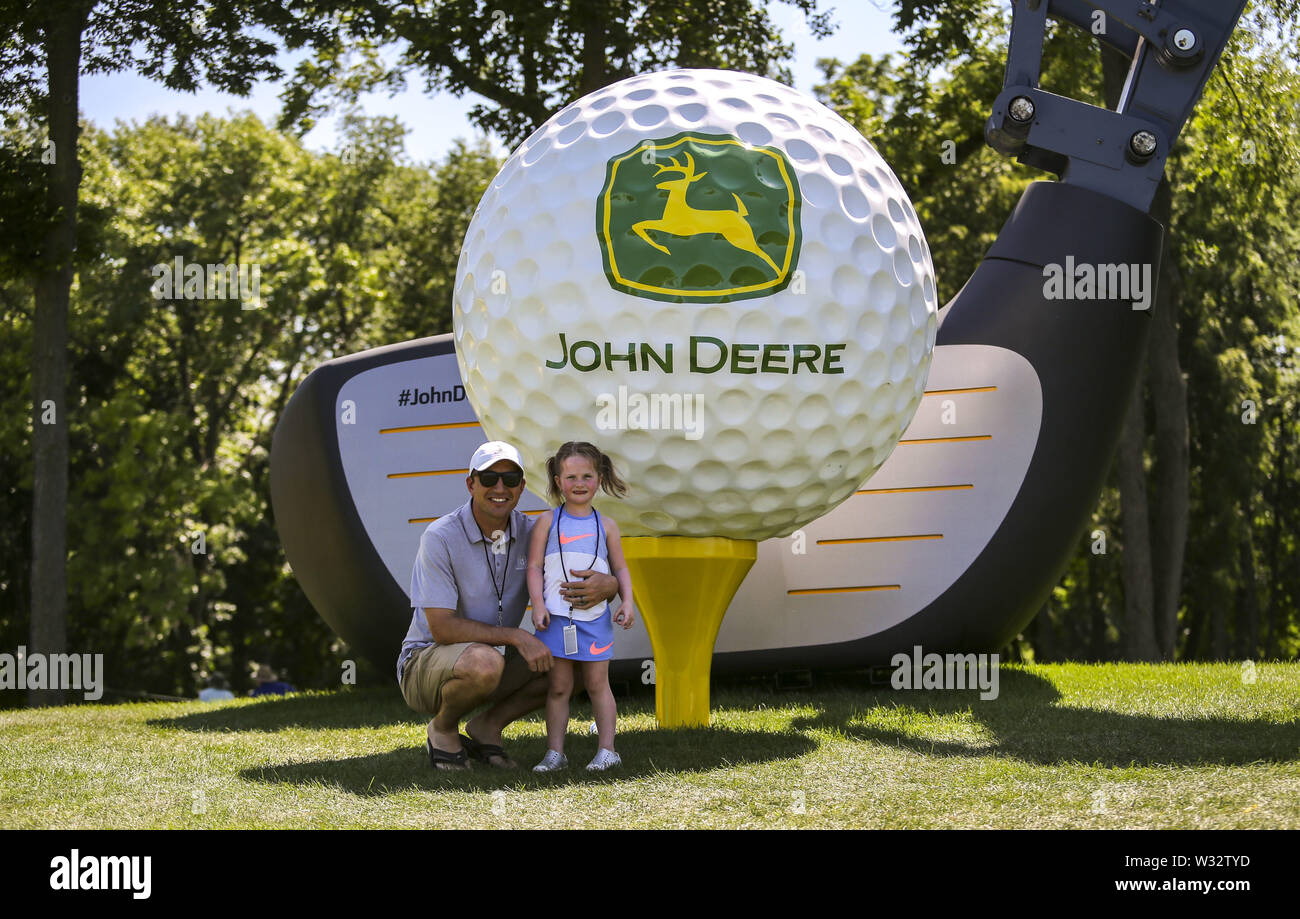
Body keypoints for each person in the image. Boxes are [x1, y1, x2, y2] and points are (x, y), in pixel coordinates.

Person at [397, 441, 621, 771]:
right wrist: (516, 637)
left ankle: (488, 726)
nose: (500, 488)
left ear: (522, 486)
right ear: (470, 484)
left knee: (567, 667)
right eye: (488, 479)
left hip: (493, 655)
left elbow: (586, 574)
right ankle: (443, 729)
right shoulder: (441, 536)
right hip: (425, 661)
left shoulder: (537, 533)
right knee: (485, 662)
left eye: (511, 478)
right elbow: (441, 628)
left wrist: (610, 586)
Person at [527, 442, 636, 773]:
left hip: (594, 621)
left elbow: (620, 570)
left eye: (587, 476)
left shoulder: (608, 526)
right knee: (559, 687)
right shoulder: (547, 522)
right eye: (571, 476)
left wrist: (627, 601)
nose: (579, 483)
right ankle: (555, 753)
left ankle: (607, 750)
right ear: (559, 481)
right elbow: (534, 566)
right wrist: (538, 605)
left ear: (599, 478)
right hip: (557, 620)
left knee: (597, 684)